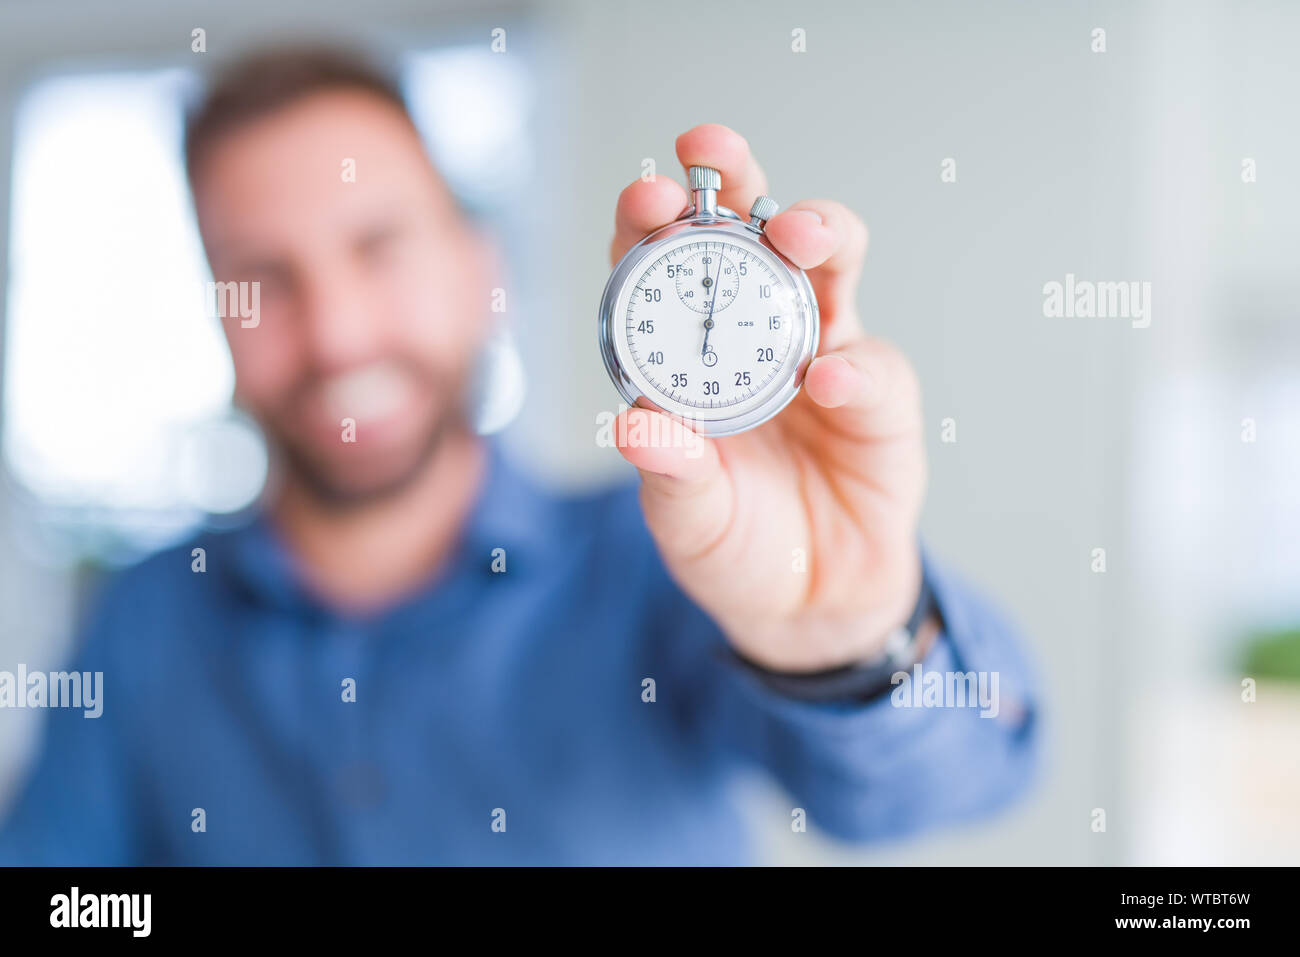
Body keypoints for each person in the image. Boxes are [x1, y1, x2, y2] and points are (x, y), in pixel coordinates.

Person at [0, 46, 1040, 865]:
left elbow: (948, 791)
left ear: (477, 267)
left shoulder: (663, 560)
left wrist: (851, 636)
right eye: (262, 276)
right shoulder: (146, 619)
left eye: (378, 247)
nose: (337, 333)